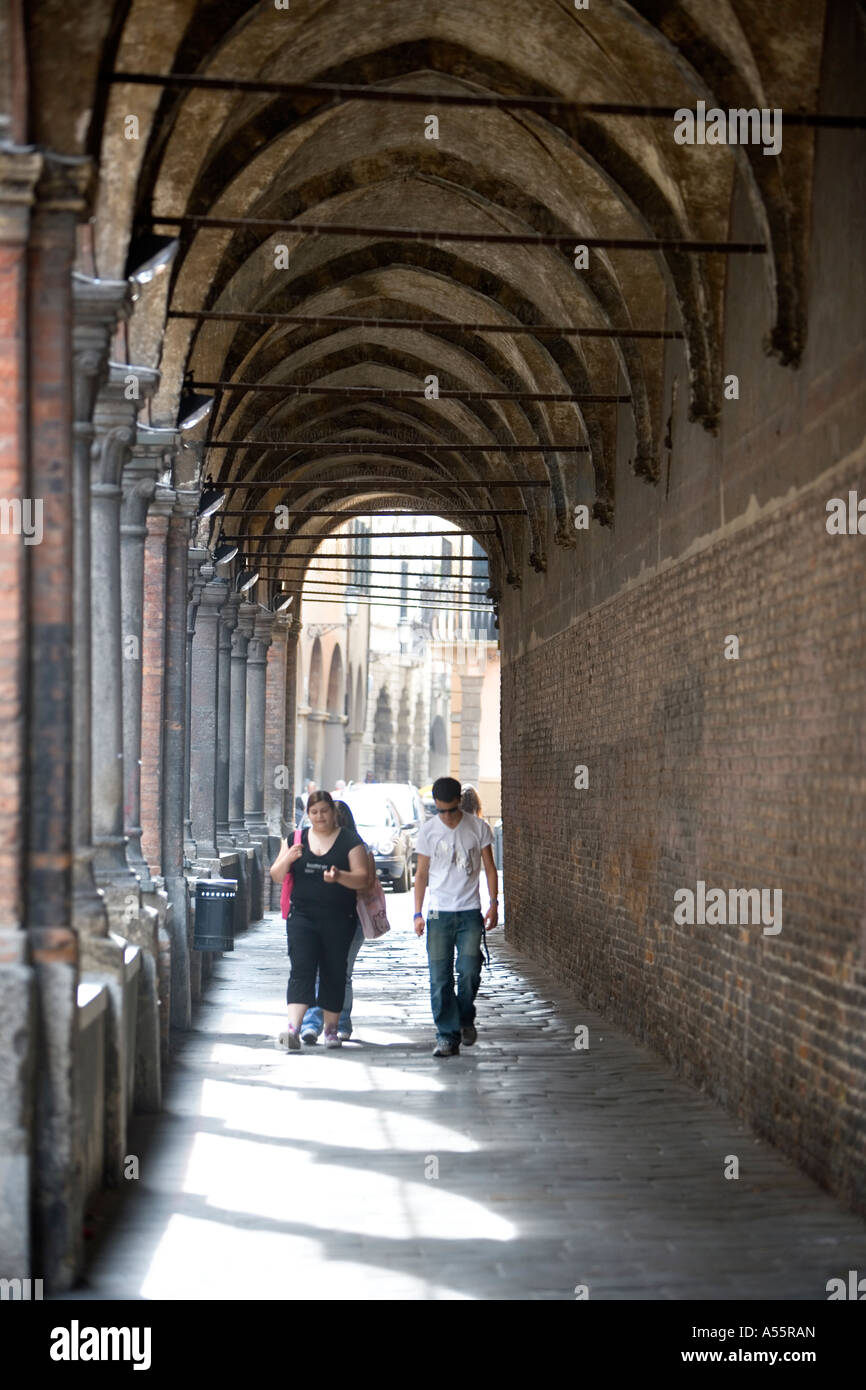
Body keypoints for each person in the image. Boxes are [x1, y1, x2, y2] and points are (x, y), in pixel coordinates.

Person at [269, 790, 368, 1050]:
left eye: (324, 811)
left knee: (333, 971)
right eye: (314, 812)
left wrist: (340, 877)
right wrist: (289, 858)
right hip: (302, 916)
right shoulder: (295, 839)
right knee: (301, 969)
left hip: (339, 917)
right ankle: (293, 1029)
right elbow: (276, 875)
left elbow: (363, 878)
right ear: (308, 814)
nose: (319, 816)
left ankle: (332, 1029)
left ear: (333, 812)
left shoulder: (349, 840)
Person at [413, 776, 499, 1057]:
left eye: (451, 810)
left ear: (460, 803)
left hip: (469, 911)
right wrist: (417, 913)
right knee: (440, 978)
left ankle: (464, 1017)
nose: (447, 817)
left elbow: (489, 868)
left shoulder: (478, 828)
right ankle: (447, 1035)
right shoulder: (428, 832)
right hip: (439, 914)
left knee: (470, 971)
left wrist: (494, 904)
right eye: (441, 811)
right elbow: (422, 874)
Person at [299, 801, 369, 1044]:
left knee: (340, 973)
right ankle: (313, 1024)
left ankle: (340, 1023)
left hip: (350, 919)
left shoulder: (358, 847)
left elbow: (366, 882)